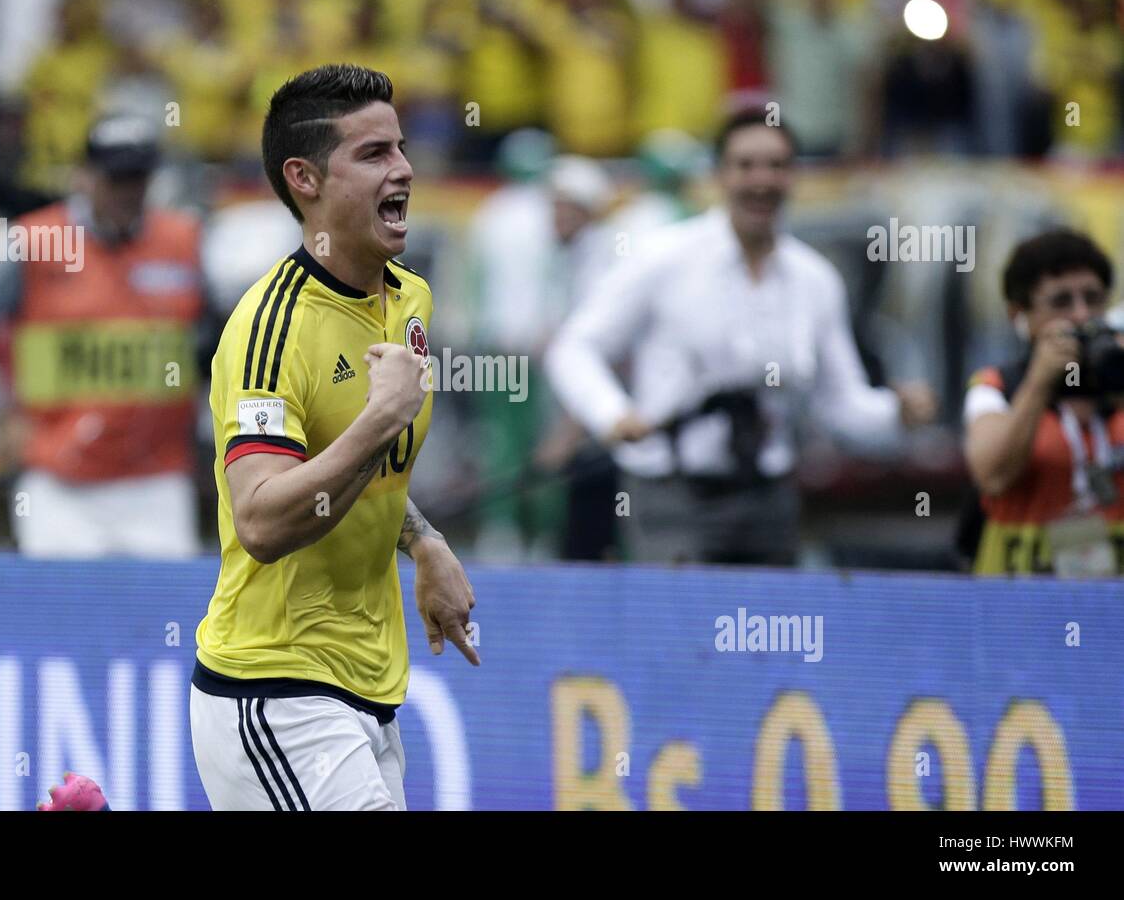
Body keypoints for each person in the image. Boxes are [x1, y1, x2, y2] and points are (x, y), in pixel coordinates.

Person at [190, 64, 478, 811]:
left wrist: (423, 542)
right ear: (304, 179)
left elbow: (364, 473)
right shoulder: (269, 330)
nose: (406, 169)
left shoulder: (407, 295)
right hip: (275, 689)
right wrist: (380, 417)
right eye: (374, 153)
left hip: (367, 686)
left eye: (402, 148)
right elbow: (260, 520)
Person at [546, 108, 936, 565]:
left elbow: (842, 403)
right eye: (746, 165)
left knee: (765, 631)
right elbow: (574, 348)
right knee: (679, 629)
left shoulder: (815, 279)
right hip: (672, 495)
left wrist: (898, 413)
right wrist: (613, 414)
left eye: (776, 166)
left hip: (770, 497)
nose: (762, 180)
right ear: (720, 175)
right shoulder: (664, 257)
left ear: (794, 177)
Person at [0, 113, 204, 558]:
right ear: (84, 177)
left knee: (164, 619)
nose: (129, 191)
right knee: (59, 620)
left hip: (158, 480)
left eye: (138, 177)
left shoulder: (183, 240)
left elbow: (215, 336)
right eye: (116, 178)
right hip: (58, 482)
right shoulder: (35, 241)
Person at [963, 230, 1124, 576]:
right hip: (1017, 594)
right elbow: (993, 476)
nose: (1082, 315)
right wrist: (1039, 383)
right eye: (1061, 302)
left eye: (1093, 299)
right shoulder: (997, 387)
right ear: (1019, 314)